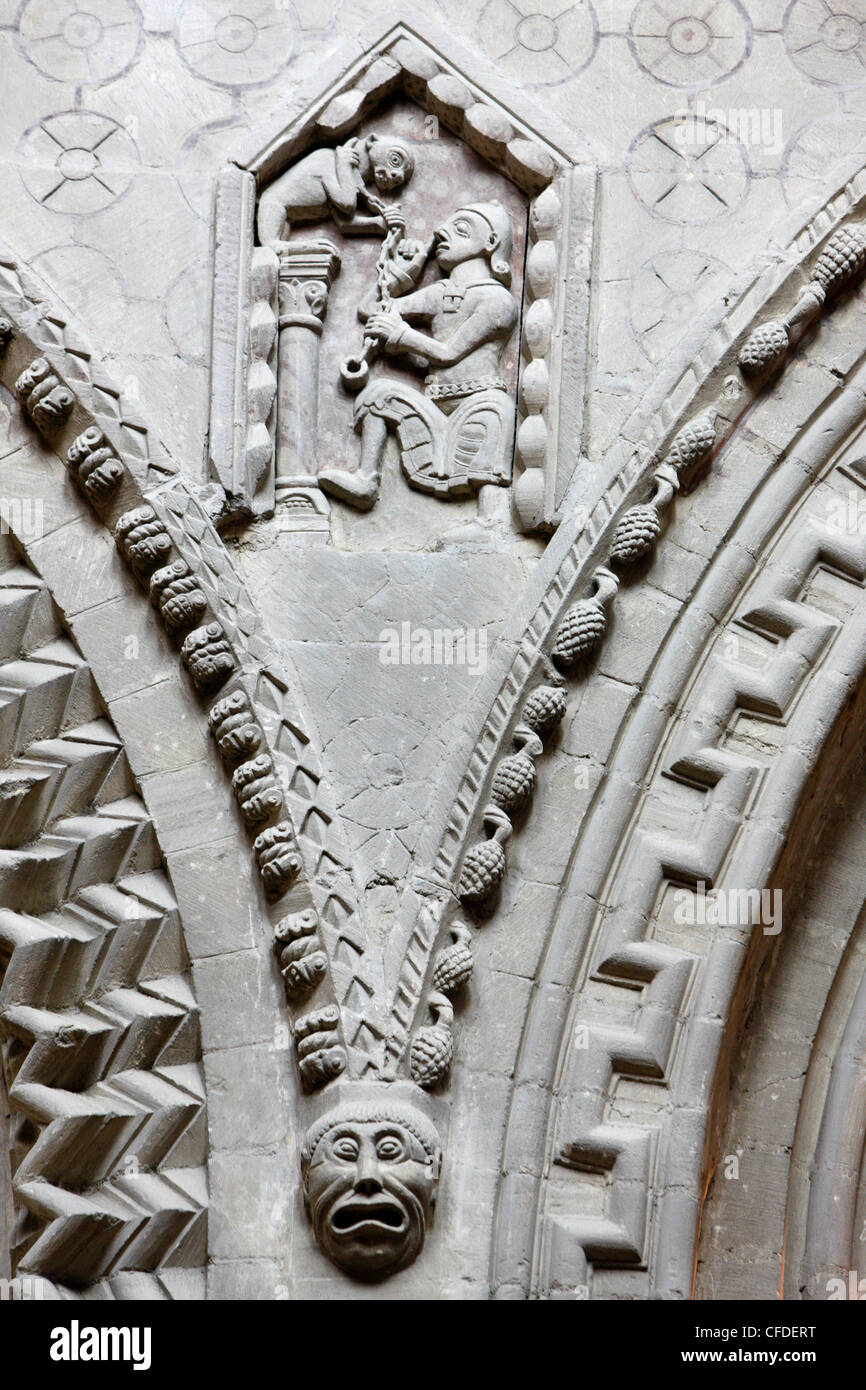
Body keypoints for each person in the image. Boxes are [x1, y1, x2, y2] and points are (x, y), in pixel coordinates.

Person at [319, 200, 518, 508]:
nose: (441, 232)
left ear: (490, 242)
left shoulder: (497, 300)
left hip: (479, 401)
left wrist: (401, 336)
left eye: (460, 229)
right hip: (433, 405)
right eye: (445, 227)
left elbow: (449, 353)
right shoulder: (440, 292)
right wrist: (407, 269)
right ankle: (366, 480)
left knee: (492, 432)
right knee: (377, 394)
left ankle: (489, 518)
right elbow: (371, 309)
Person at [256, 133, 414, 247]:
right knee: (275, 246)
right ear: (372, 140)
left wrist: (378, 223)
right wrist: (343, 165)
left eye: (399, 180)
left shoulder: (350, 180)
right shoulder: (327, 159)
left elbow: (345, 223)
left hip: (285, 226)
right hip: (272, 214)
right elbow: (347, 203)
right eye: (395, 160)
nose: (396, 175)